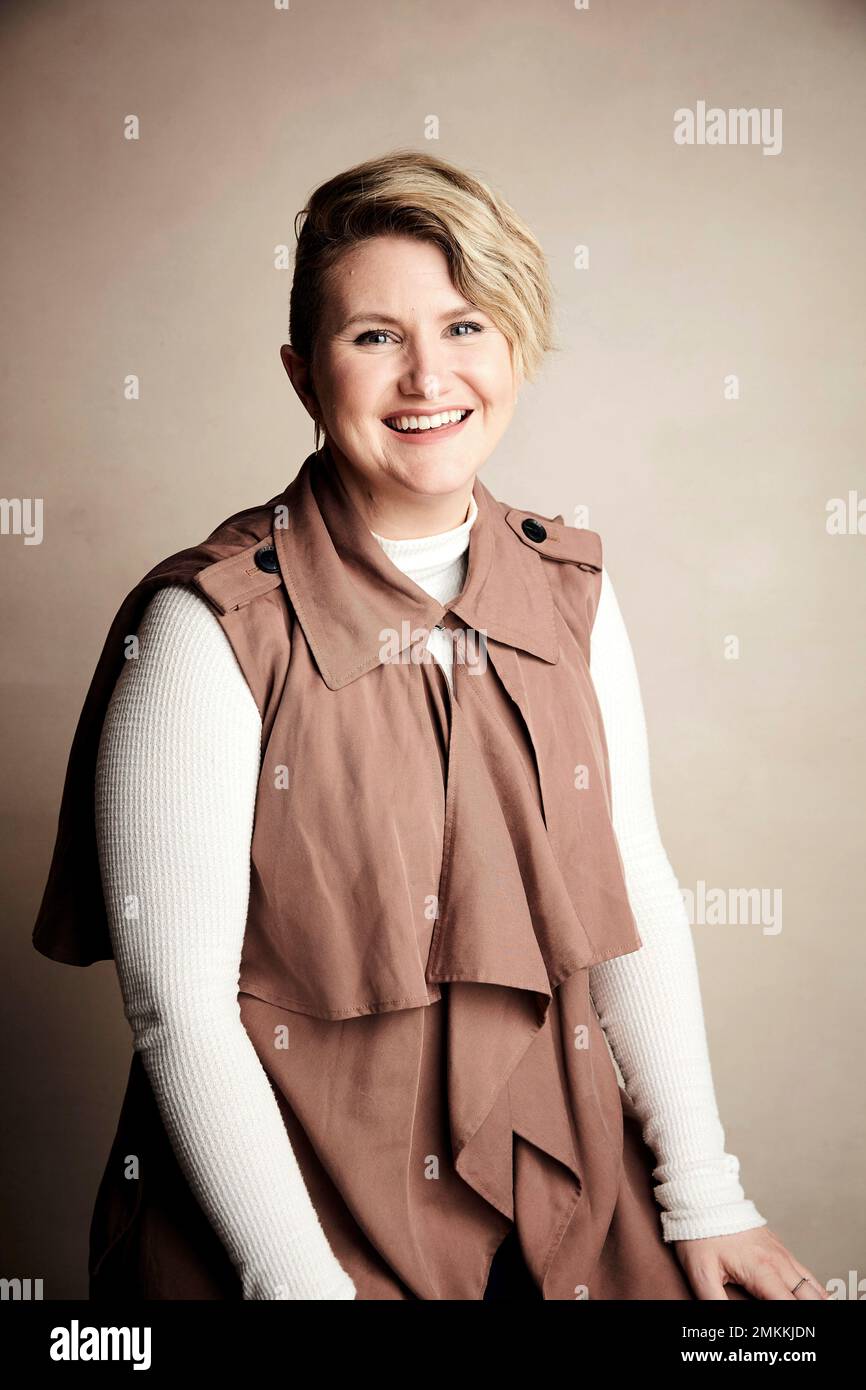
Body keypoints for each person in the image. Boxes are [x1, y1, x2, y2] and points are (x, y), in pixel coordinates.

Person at [33, 150, 825, 1301]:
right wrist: (295, 1285)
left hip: (558, 1205)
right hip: (293, 1234)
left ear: (513, 348)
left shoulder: (570, 590)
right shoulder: (205, 627)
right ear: (305, 374)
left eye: (463, 327)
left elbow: (631, 887)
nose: (425, 378)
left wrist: (704, 1194)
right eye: (373, 337)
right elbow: (179, 1004)